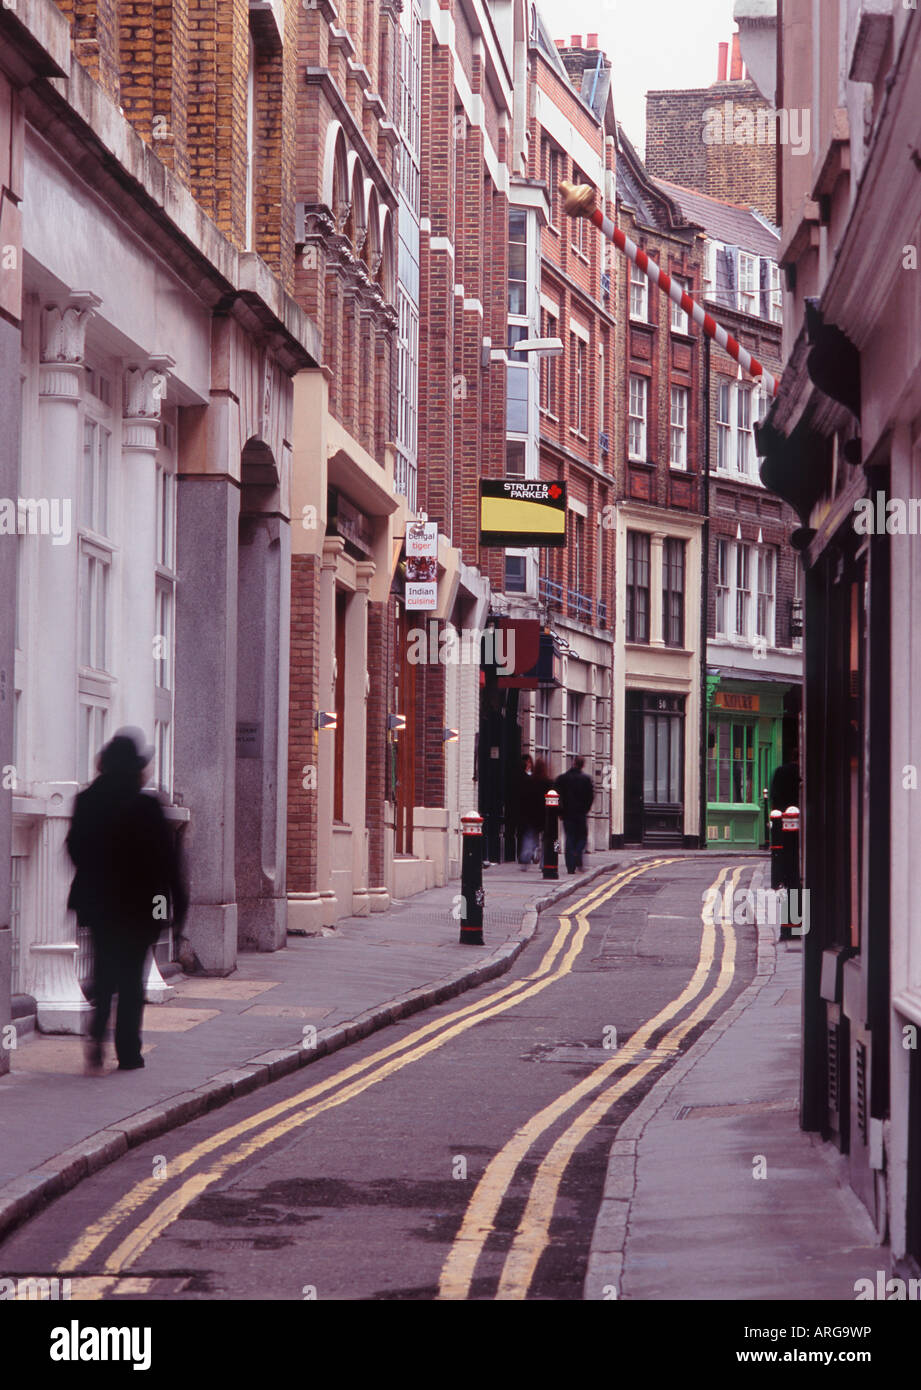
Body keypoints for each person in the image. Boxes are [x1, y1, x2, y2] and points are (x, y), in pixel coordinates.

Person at [66, 727, 188, 1073]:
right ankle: (128, 1053)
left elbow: (74, 848)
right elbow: (168, 864)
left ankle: (95, 1033)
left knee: (103, 971)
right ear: (135, 769)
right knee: (133, 978)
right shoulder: (147, 806)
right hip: (142, 906)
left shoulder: (87, 801)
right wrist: (175, 910)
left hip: (101, 902)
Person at [556, 755, 594, 874]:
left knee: (570, 838)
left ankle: (570, 867)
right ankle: (578, 853)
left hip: (567, 814)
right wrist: (586, 809)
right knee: (582, 837)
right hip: (581, 813)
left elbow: (557, 796)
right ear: (582, 765)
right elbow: (590, 797)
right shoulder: (586, 779)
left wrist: (560, 812)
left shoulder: (562, 778)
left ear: (573, 763)